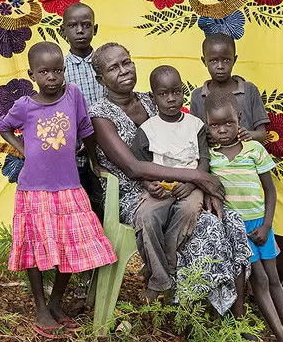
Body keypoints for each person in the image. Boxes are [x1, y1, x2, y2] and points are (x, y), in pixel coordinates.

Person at [88, 42, 250, 315]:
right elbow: (133, 168)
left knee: (227, 221)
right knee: (202, 227)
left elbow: (191, 143)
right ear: (100, 79)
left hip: (181, 189)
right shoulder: (100, 115)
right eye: (113, 68)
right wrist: (198, 177)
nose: (124, 71)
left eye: (126, 62)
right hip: (131, 194)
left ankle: (225, 309)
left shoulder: (154, 99)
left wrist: (198, 183)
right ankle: (181, 301)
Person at [0, 41, 117, 338]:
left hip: (69, 187)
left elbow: (87, 130)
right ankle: (40, 308)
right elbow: (3, 127)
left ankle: (56, 303)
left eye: (58, 71)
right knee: (36, 249)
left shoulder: (73, 95)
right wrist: (24, 150)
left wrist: (92, 162)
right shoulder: (26, 106)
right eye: (44, 72)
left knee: (69, 246)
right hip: (34, 190)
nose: (52, 77)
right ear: (32, 74)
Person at [189, 32, 283, 296]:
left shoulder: (249, 90)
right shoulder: (198, 97)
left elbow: (263, 133)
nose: (219, 66)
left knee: (256, 238)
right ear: (204, 61)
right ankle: (231, 293)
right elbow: (198, 137)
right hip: (220, 170)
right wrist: (208, 138)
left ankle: (260, 290)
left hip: (247, 172)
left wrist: (248, 135)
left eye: (225, 60)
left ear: (235, 59)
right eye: (213, 61)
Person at [206, 92, 283, 342]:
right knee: (258, 279)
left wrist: (267, 224)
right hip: (236, 229)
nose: (222, 130)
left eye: (228, 124)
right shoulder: (210, 158)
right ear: (207, 126)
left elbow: (270, 190)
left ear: (240, 121)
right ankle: (281, 338)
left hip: (260, 223)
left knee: (273, 279)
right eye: (215, 126)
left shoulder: (254, 150)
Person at [130, 65, 208, 302]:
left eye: (176, 92)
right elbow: (140, 168)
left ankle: (163, 273)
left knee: (187, 210)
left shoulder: (196, 125)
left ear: (183, 91)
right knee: (146, 217)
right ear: (153, 97)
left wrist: (194, 185)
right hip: (161, 189)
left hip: (190, 187)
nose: (171, 99)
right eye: (163, 94)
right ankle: (163, 279)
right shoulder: (148, 129)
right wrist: (148, 185)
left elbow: (204, 161)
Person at [61, 2, 106, 220]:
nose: (80, 31)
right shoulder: (60, 69)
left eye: (86, 25)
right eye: (73, 26)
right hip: (75, 151)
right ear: (63, 31)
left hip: (106, 147)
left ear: (95, 30)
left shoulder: (105, 63)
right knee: (78, 201)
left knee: (103, 199)